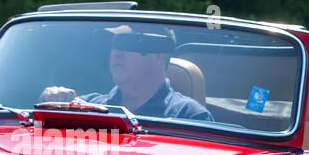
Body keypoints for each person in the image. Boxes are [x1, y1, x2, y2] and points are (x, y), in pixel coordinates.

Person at [38, 30, 212, 121]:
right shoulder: (86, 108)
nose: (117, 53)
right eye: (114, 44)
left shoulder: (190, 117)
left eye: (130, 44)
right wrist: (49, 107)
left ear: (159, 57)